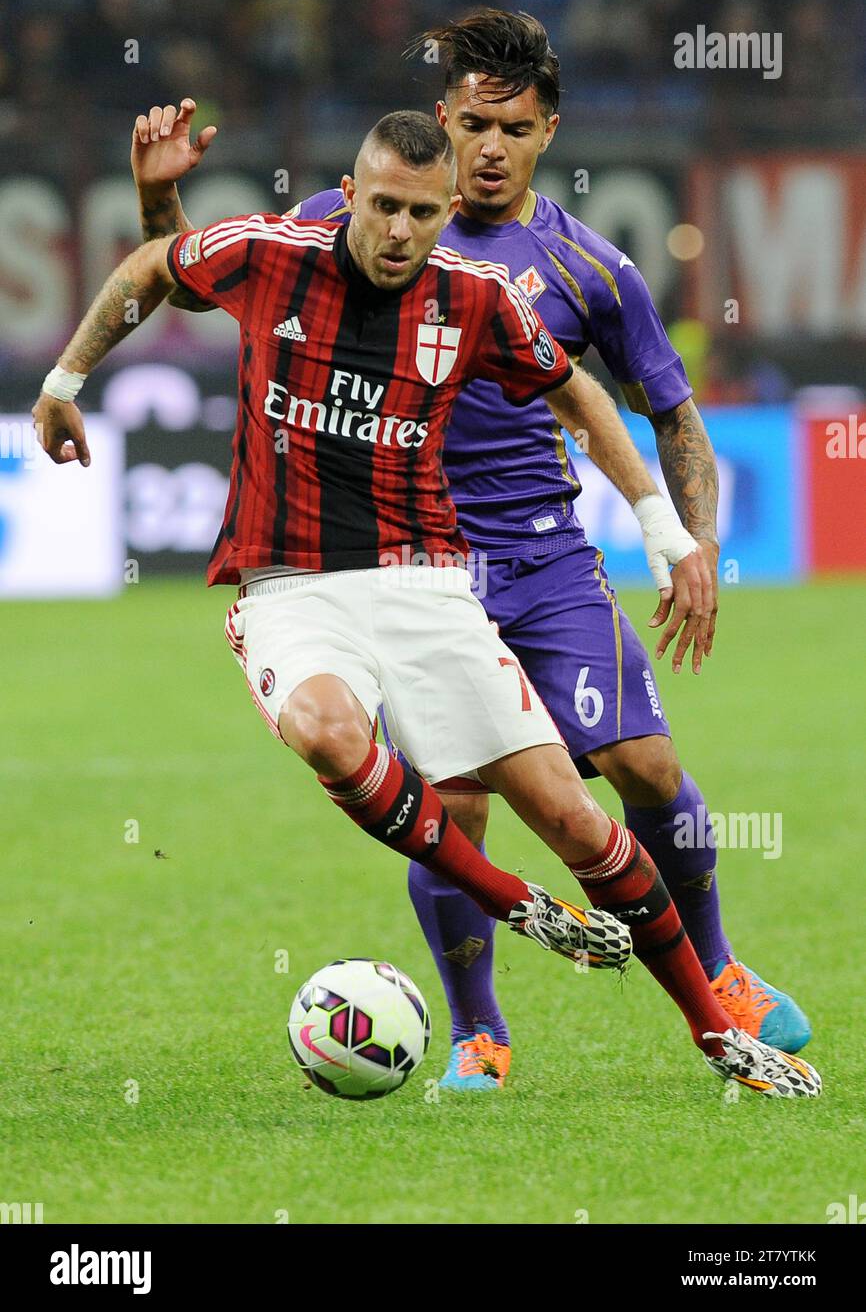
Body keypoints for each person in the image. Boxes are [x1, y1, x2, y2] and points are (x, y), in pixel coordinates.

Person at [36, 109, 820, 1098]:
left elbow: (576, 394)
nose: (397, 231)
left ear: (446, 211)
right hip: (293, 582)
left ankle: (715, 1033)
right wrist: (65, 380)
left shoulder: (478, 295)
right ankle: (507, 915)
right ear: (348, 195)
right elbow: (157, 265)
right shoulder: (273, 250)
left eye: (418, 212)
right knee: (325, 729)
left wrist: (664, 532)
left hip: (427, 580)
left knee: (575, 818)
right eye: (380, 207)